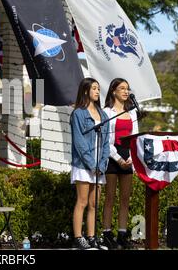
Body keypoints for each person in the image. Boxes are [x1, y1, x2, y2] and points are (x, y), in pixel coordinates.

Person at [70, 77, 110, 250]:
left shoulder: (104, 114)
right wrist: (91, 164)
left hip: (99, 168)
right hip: (83, 165)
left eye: (98, 89)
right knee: (82, 202)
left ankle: (92, 237)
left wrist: (101, 165)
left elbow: (107, 143)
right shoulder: (78, 113)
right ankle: (78, 237)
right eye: (94, 88)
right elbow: (79, 142)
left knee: (94, 204)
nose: (97, 91)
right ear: (86, 90)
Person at [101, 78, 139, 250]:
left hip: (128, 156)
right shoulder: (107, 112)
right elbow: (106, 140)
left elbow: (135, 137)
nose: (126, 91)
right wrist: (118, 159)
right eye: (122, 88)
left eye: (127, 89)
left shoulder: (132, 113)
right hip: (112, 156)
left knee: (125, 199)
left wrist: (131, 157)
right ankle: (107, 234)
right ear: (113, 91)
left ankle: (122, 234)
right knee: (109, 198)